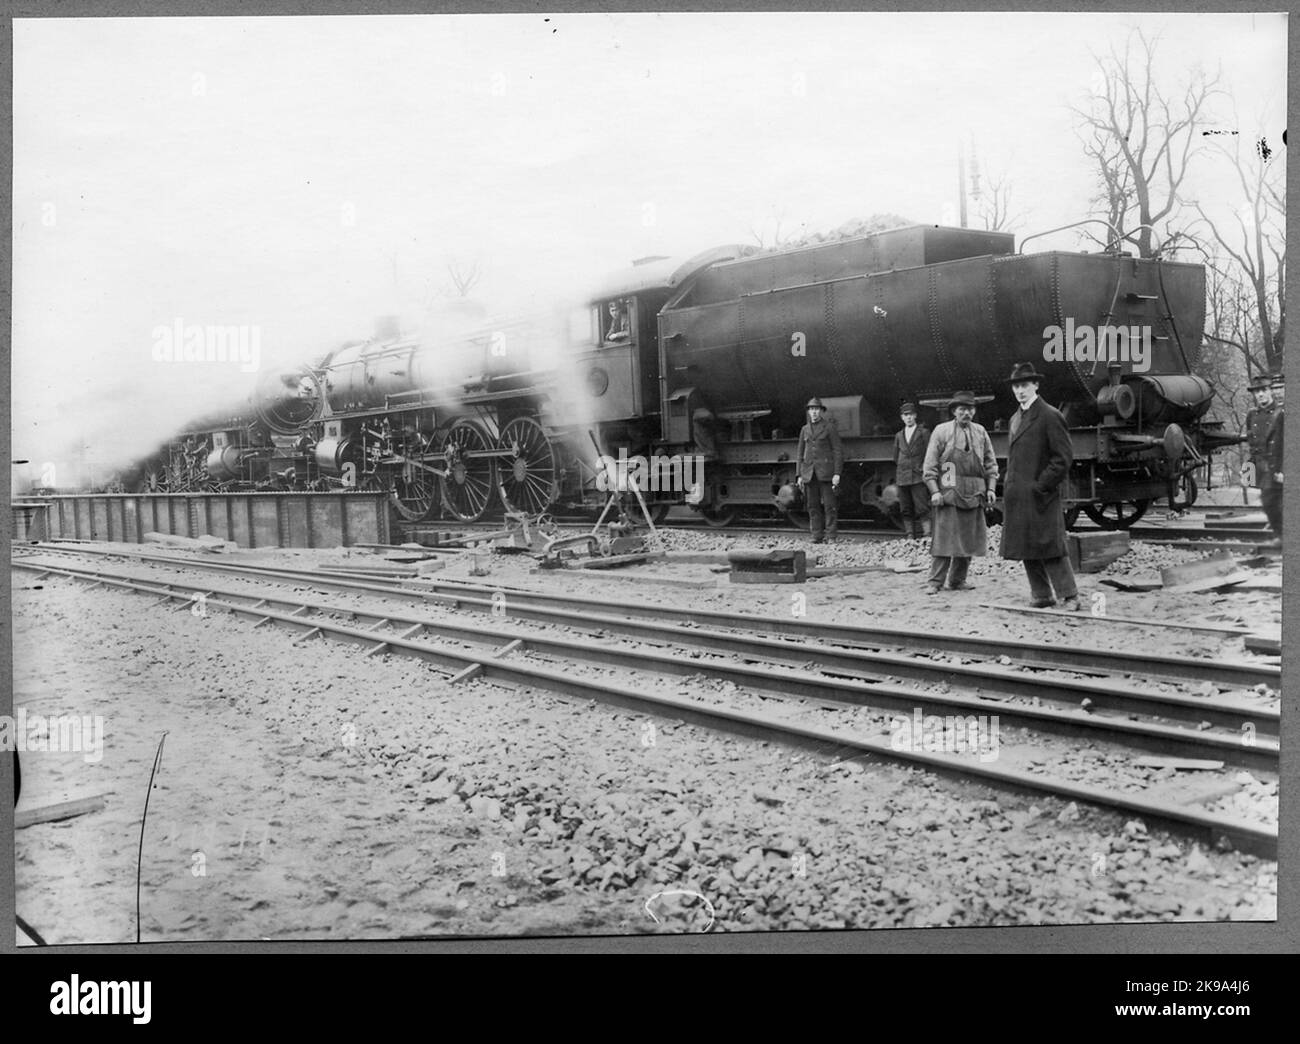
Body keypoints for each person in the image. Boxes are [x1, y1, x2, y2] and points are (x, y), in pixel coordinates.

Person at [999, 362, 1079, 610]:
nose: (1020, 391)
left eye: (1024, 385)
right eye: (1016, 386)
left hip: (1039, 494)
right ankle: (1041, 594)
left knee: (1050, 545)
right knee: (1026, 546)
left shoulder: (1050, 415)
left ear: (1036, 385)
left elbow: (1063, 458)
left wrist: (1041, 485)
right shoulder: (1015, 418)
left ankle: (1070, 596)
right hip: (1019, 495)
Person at [922, 390, 998, 594]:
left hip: (975, 492)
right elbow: (929, 466)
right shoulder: (941, 431)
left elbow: (991, 463)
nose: (967, 413)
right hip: (949, 493)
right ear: (954, 411)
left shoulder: (980, 432)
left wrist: (990, 488)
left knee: (968, 539)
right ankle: (935, 582)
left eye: (970, 409)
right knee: (944, 539)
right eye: (962, 409)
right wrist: (935, 491)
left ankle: (957, 580)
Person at [796, 397, 843, 543]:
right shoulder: (804, 429)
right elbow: (800, 453)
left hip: (826, 473)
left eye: (816, 409)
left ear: (821, 411)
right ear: (808, 412)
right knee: (812, 506)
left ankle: (831, 536)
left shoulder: (829, 427)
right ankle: (816, 535)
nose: (814, 412)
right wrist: (799, 474)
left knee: (830, 506)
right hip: (809, 474)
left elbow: (837, 451)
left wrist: (837, 473)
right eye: (811, 409)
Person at [1245, 373, 1284, 538]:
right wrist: (1247, 471)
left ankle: (1282, 536)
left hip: (1277, 466)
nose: (1260, 394)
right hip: (1260, 466)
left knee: (1271, 501)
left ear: (1270, 391)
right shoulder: (1252, 415)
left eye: (1264, 390)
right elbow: (1252, 445)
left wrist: (1283, 470)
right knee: (1270, 502)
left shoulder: (1281, 413)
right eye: (1257, 391)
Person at [892, 401, 931, 539]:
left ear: (915, 416)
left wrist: (921, 468)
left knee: (922, 507)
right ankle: (909, 534)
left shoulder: (924, 433)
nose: (908, 417)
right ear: (902, 417)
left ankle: (927, 534)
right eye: (905, 415)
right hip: (903, 476)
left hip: (918, 476)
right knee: (905, 508)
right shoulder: (899, 435)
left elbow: (929, 453)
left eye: (911, 415)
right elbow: (896, 456)